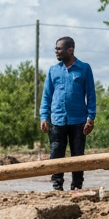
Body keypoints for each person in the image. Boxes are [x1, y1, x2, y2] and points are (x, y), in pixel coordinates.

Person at [39, 37, 96, 191]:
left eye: (59, 49)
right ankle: (57, 187)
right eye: (56, 49)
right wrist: (44, 116)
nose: (56, 51)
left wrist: (90, 118)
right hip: (57, 120)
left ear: (70, 50)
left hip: (78, 121)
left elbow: (90, 95)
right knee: (56, 154)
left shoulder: (84, 68)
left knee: (78, 155)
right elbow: (46, 96)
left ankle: (76, 186)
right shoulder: (53, 70)